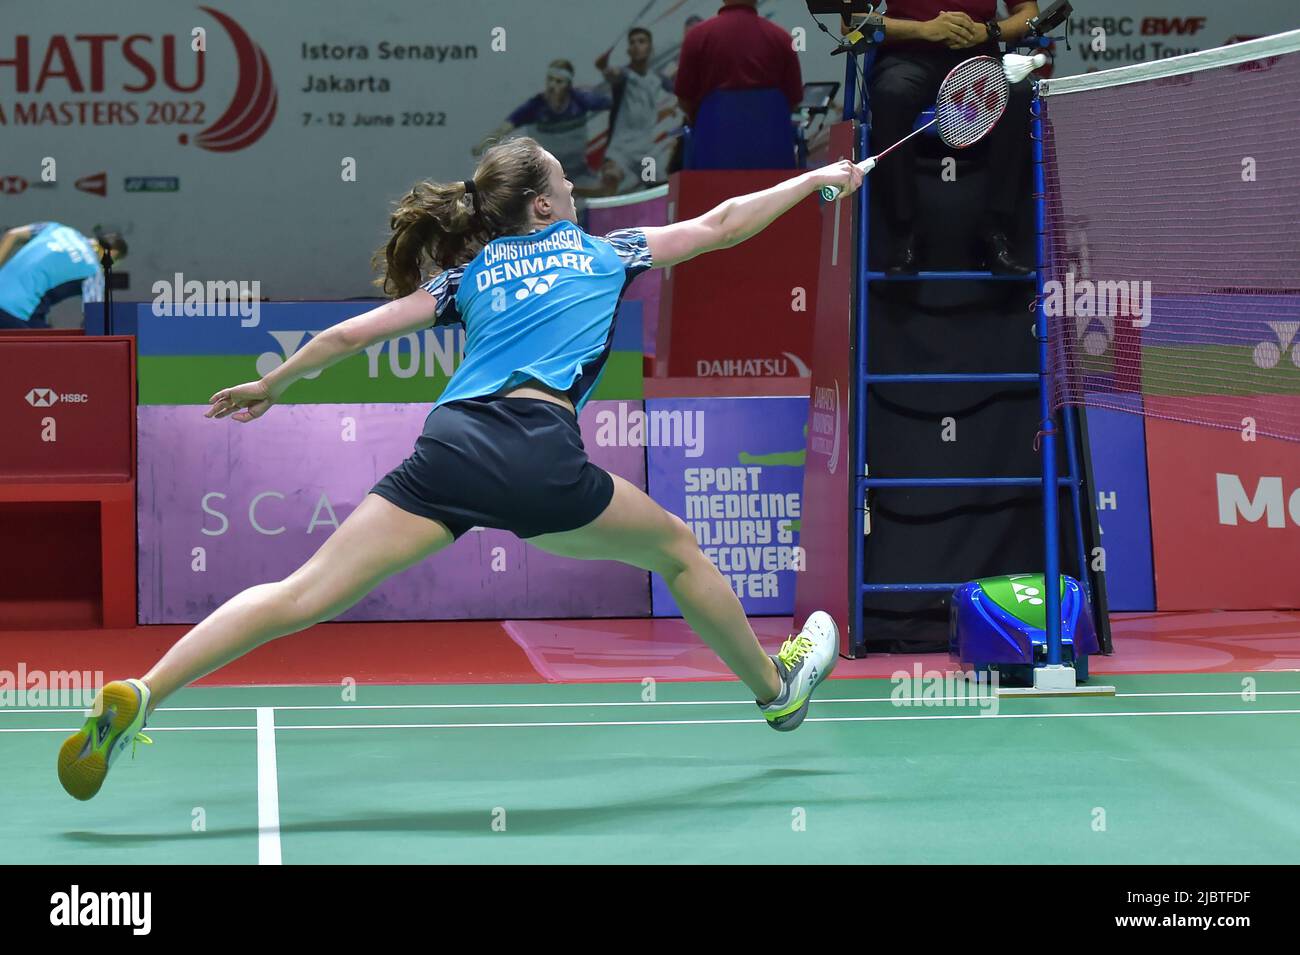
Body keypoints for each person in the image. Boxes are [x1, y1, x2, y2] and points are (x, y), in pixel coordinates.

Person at [56, 136, 864, 801]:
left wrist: (274, 383)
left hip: (449, 445)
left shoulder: (469, 276)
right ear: (543, 206)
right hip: (537, 451)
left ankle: (145, 691)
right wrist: (820, 178)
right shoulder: (604, 251)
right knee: (679, 549)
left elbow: (349, 336)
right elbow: (723, 224)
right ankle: (775, 690)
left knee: (299, 593)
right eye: (563, 178)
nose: (575, 188)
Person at [852, 1, 1039, 275]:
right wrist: (924, 30)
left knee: (1019, 93)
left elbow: (1029, 13)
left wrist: (989, 31)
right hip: (907, 57)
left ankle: (996, 232)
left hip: (978, 57)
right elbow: (852, 21)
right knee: (892, 95)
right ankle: (904, 234)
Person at [475, 60, 611, 186]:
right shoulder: (535, 106)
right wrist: (483, 145)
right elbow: (504, 128)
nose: (552, 86)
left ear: (568, 85)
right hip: (545, 175)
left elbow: (616, 103)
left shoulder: (581, 100)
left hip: (578, 172)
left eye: (559, 81)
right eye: (550, 80)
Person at [673, 0, 804, 124]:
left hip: (713, 144)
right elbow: (793, 101)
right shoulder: (782, 39)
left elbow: (684, 100)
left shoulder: (695, 37)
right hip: (770, 144)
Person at [0, 223, 127, 329]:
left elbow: (13, 234)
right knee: (51, 355)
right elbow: (94, 319)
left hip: (14, 308)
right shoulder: (93, 271)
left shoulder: (57, 228)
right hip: (16, 312)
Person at [594, 28, 674, 194]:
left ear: (650, 48)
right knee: (611, 178)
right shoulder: (623, 75)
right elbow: (612, 75)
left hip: (646, 153)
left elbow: (680, 92)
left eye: (641, 41)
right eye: (633, 42)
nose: (637, 45)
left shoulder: (657, 79)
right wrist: (604, 68)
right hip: (621, 151)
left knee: (653, 190)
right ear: (629, 50)